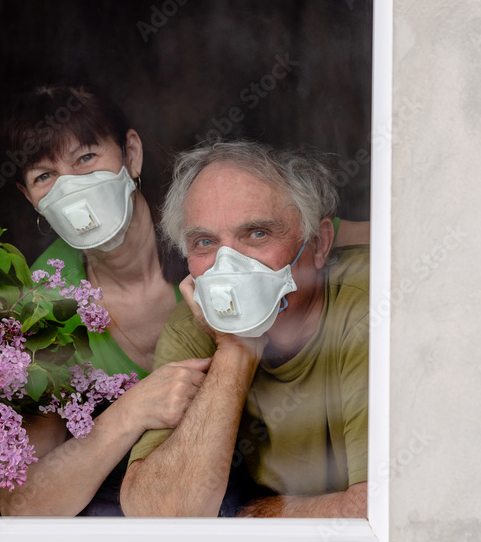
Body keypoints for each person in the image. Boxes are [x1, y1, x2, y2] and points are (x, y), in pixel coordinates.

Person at [0, 84, 369, 516]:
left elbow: (378, 239)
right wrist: (128, 412)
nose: (73, 188)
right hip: (165, 476)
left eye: (86, 158)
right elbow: (23, 506)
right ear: (29, 198)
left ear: (130, 154)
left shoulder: (214, 214)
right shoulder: (43, 304)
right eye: (45, 176)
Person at [120, 141, 369, 518]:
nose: (228, 265)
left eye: (256, 234)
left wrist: (252, 517)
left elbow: (383, 510)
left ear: (317, 245)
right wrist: (237, 348)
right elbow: (159, 514)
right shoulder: (193, 324)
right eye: (205, 242)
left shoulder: (371, 306)